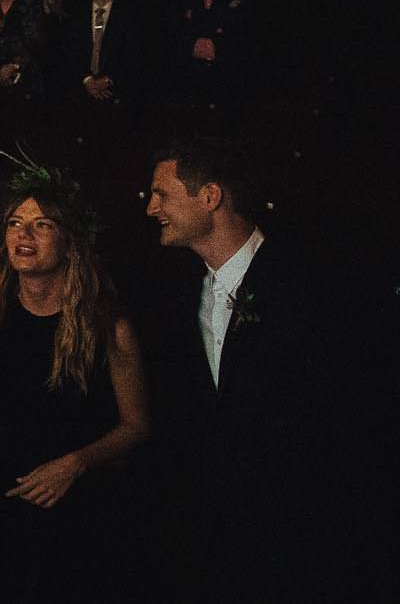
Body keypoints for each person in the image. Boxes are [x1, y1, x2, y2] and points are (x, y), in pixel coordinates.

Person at [142, 139, 359, 599]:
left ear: (210, 196)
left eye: (161, 194)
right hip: (214, 543)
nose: (151, 208)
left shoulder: (304, 285)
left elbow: (347, 416)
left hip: (304, 541)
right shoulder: (176, 294)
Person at [0, 164, 150, 602]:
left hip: (74, 502)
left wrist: (74, 465)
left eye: (42, 224)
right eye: (15, 223)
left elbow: (136, 425)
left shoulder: (108, 327)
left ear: (69, 240)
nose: (24, 235)